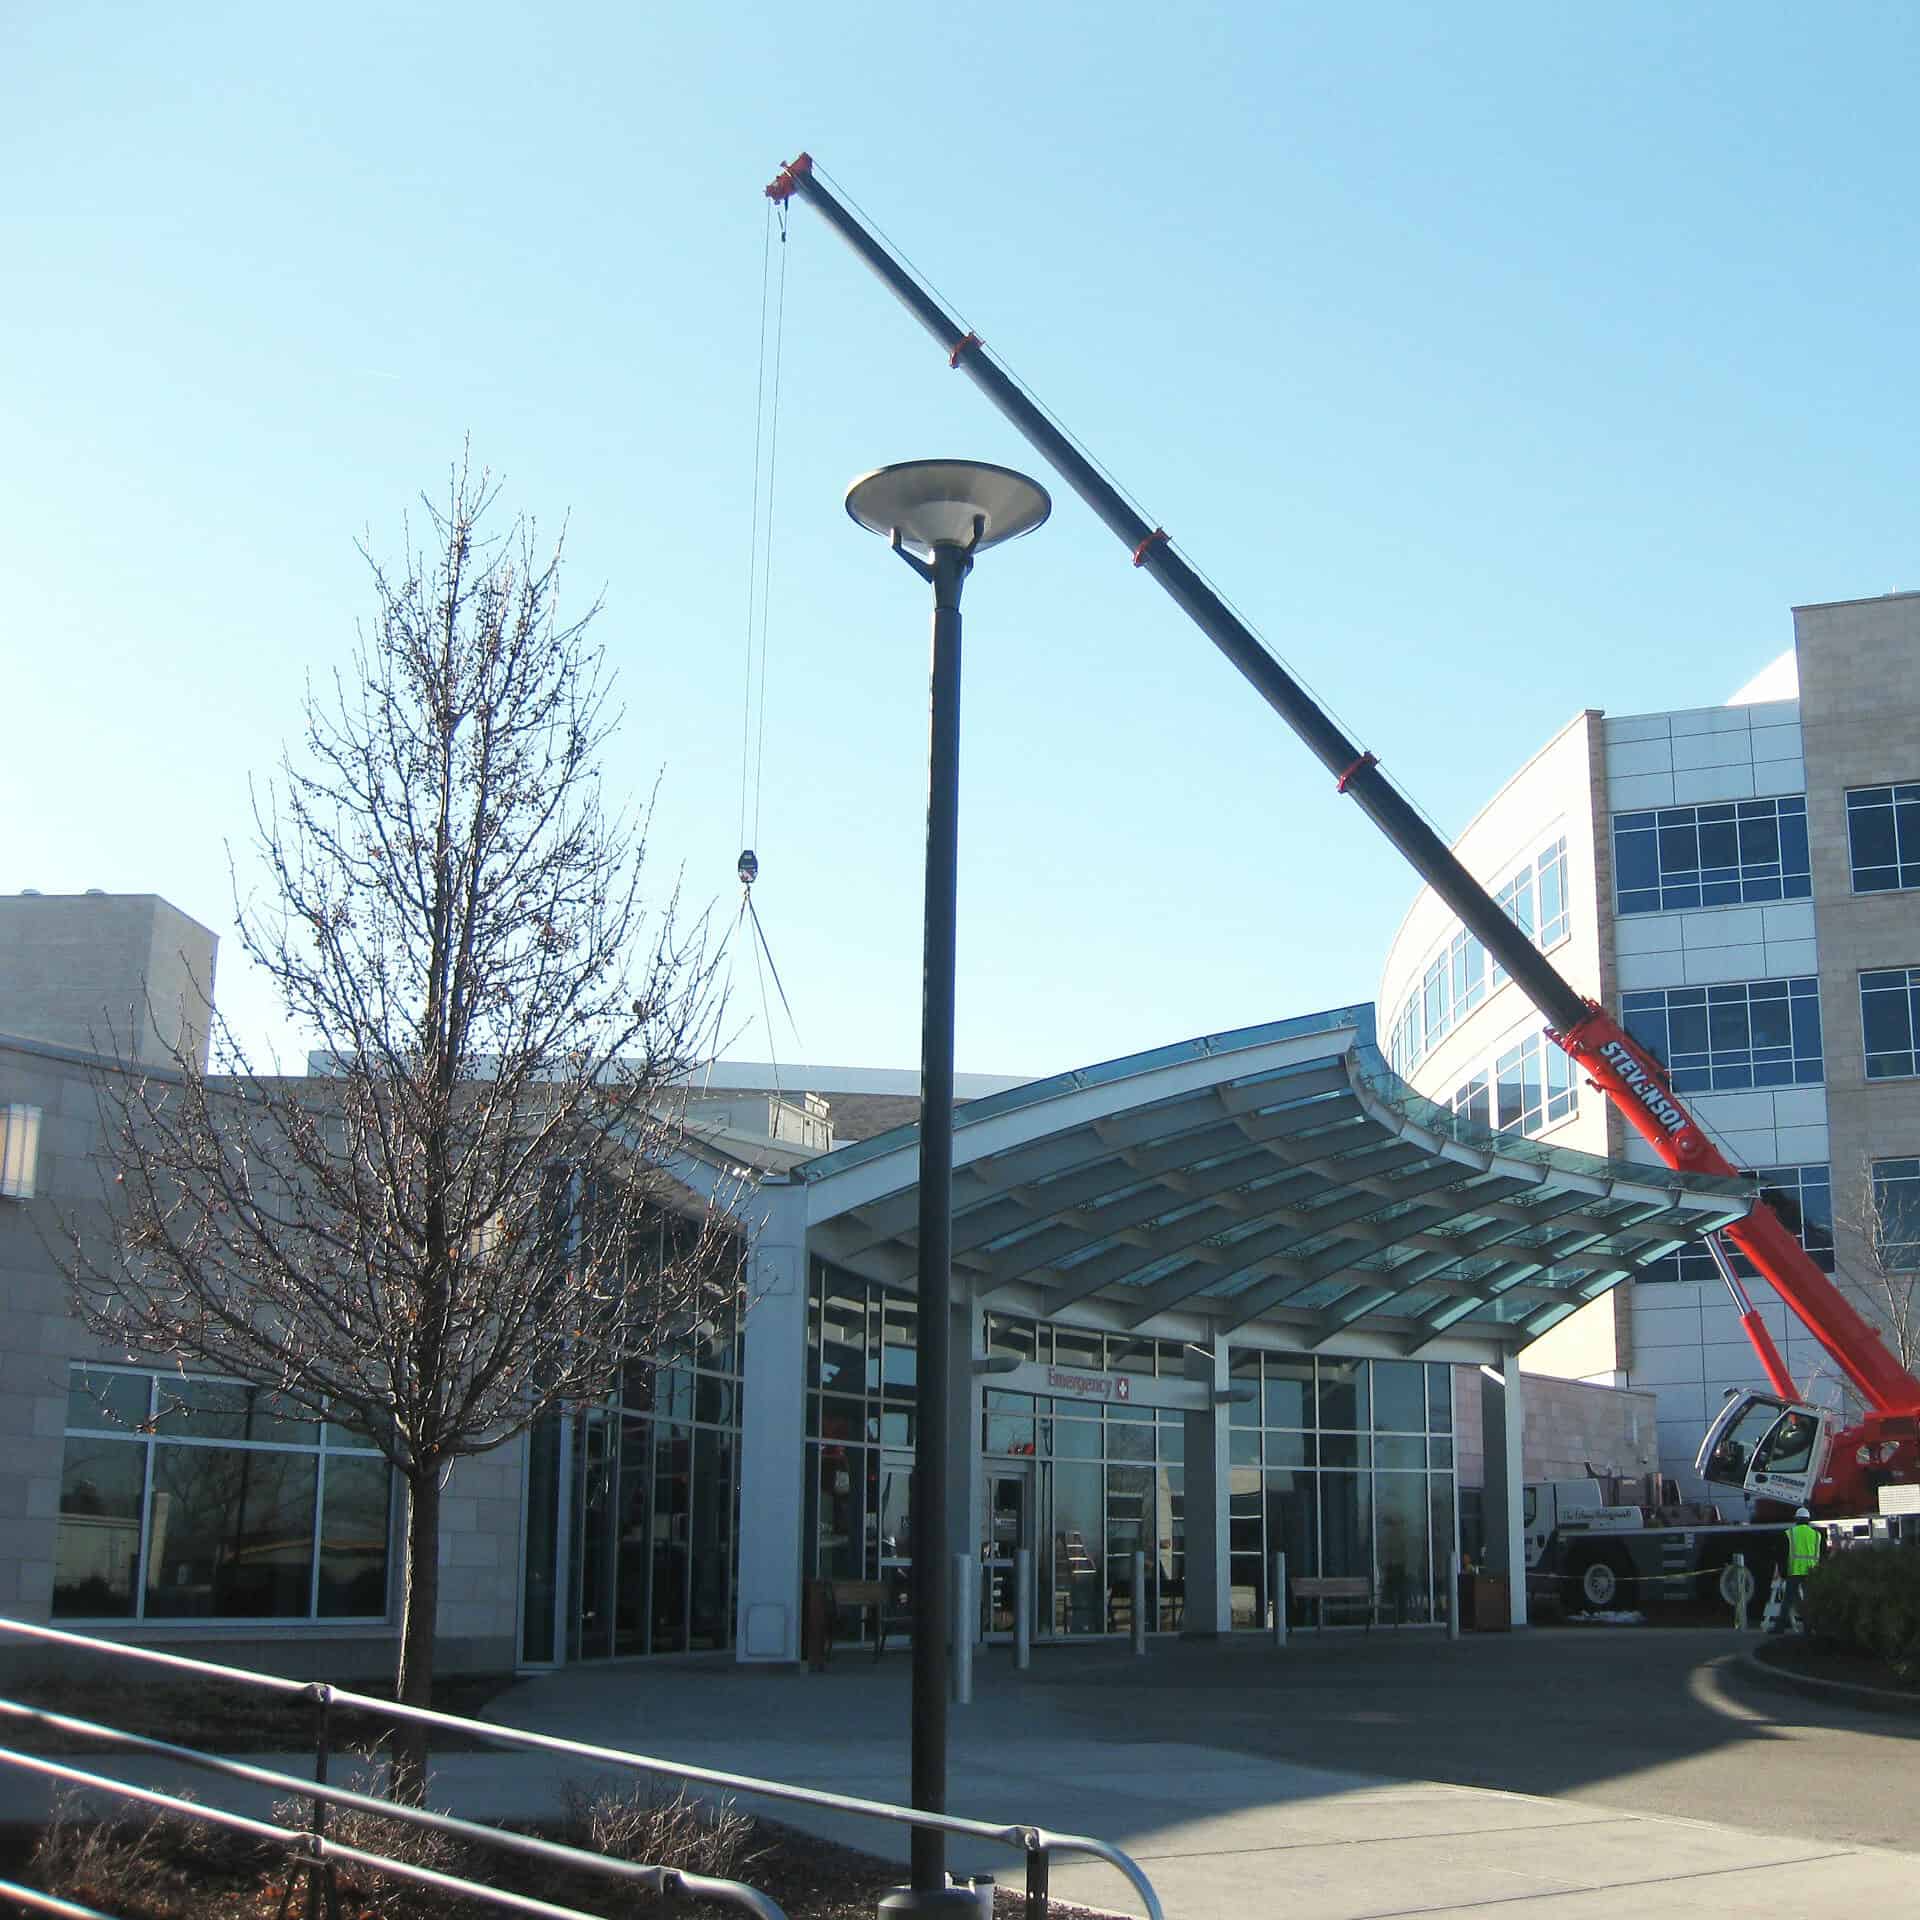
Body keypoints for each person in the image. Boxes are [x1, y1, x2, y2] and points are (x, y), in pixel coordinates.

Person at [1775, 1505, 1822, 1633]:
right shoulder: (1817, 1535)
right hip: (1812, 1571)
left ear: (1796, 1519)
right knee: (1810, 1600)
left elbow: (1782, 1554)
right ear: (1808, 1519)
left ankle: (1780, 1627)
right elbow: (1821, 1554)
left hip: (1795, 1571)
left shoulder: (1789, 1533)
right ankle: (1810, 1627)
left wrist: (1782, 1571)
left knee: (1788, 1600)